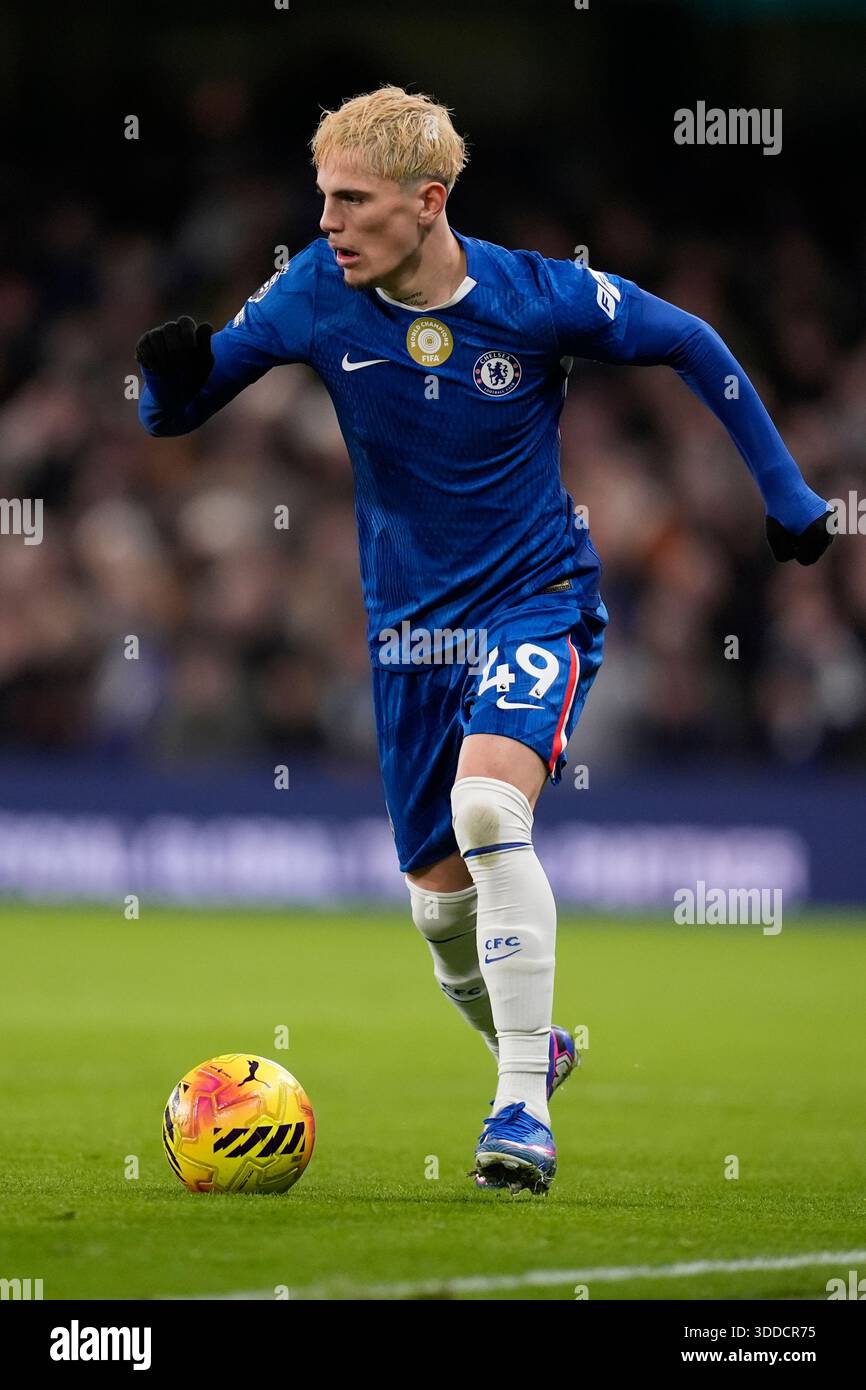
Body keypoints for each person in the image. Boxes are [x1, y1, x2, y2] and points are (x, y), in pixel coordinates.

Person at [135, 84, 834, 1196]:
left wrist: (786, 491)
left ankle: (517, 1110)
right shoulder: (316, 290)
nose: (324, 222)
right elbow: (183, 404)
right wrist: (164, 382)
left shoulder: (534, 295)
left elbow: (692, 341)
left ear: (425, 201)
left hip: (533, 596)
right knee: (439, 912)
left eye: (349, 200)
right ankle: (533, 1047)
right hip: (408, 634)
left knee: (486, 807)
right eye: (321, 197)